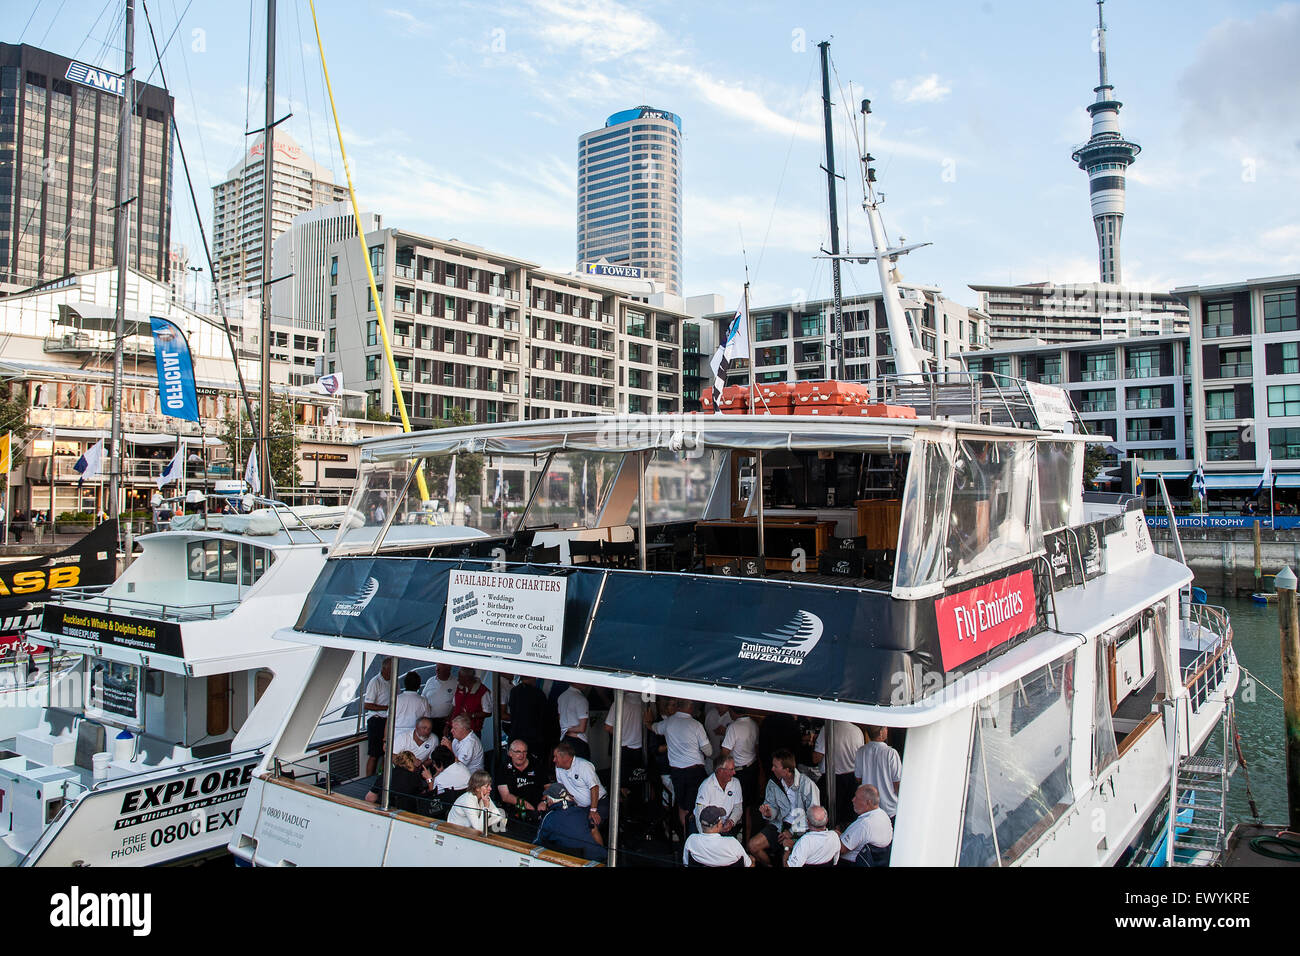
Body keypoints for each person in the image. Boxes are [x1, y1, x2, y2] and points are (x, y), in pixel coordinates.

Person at [648, 698, 712, 835]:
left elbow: (654, 728)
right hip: (695, 771)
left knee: (682, 806)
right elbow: (709, 751)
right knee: (697, 804)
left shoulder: (669, 723)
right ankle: (696, 836)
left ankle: (685, 837)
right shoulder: (696, 725)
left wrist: (647, 722)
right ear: (690, 708)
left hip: (677, 772)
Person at [747, 748, 820, 867]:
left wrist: (792, 832)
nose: (772, 769)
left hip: (800, 829)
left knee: (788, 855)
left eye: (775, 766)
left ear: (786, 770)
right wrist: (769, 813)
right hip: (779, 825)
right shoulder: (773, 783)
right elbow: (771, 806)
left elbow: (814, 816)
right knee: (753, 846)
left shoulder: (807, 784)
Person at [536, 783, 606, 862]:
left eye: (547, 799)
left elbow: (538, 841)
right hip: (598, 857)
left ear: (551, 801)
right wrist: (601, 852)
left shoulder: (549, 817)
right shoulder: (582, 811)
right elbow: (594, 830)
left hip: (577, 860)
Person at [812, 720, 865, 822]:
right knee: (848, 818)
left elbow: (816, 758)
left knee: (830, 817)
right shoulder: (857, 731)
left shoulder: (827, 729)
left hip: (832, 779)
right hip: (852, 779)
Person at [720, 708, 760, 836]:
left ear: (733, 712)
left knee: (735, 804)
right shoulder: (754, 724)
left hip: (738, 772)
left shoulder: (733, 727)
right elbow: (756, 747)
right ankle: (746, 840)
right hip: (752, 768)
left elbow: (724, 753)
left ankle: (732, 835)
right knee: (748, 807)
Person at [552, 741, 609, 825]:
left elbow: (594, 787)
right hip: (579, 806)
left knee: (590, 825)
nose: (553, 760)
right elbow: (562, 787)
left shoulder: (584, 765)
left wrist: (593, 810)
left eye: (556, 757)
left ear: (565, 757)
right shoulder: (558, 768)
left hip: (598, 804)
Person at [853, 725, 901, 821]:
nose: (887, 730)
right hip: (889, 807)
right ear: (881, 733)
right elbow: (897, 783)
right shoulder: (891, 753)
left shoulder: (861, 751)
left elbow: (858, 778)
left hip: (868, 807)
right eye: (886, 728)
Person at [839, 784, 893, 867]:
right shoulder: (884, 815)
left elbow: (842, 849)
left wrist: (834, 835)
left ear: (868, 802)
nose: (853, 800)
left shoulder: (864, 824)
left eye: (857, 798)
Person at [603, 690, 645, 797]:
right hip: (639, 748)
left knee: (620, 783)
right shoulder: (644, 703)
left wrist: (622, 732)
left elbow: (608, 727)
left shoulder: (619, 702)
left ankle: (621, 810)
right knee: (637, 782)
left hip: (621, 748)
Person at [683, 805, 752, 867]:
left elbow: (686, 864)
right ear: (719, 824)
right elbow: (748, 864)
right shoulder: (732, 843)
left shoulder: (691, 840)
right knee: (752, 860)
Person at [507, 674, 552, 762]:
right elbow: (544, 717)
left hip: (516, 733)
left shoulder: (514, 691)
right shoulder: (538, 693)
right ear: (533, 677)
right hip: (533, 737)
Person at [693, 755, 743, 836]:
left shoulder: (736, 783)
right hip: (708, 828)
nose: (734, 772)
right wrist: (705, 837)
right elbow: (699, 814)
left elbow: (738, 808)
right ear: (720, 771)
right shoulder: (706, 786)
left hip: (725, 826)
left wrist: (731, 821)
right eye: (731, 770)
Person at [497, 738, 546, 818]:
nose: (521, 755)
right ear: (510, 753)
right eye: (518, 752)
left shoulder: (536, 765)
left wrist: (544, 801)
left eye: (524, 752)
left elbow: (548, 787)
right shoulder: (504, 768)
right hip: (517, 808)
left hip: (539, 807)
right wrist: (526, 805)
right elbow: (505, 796)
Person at [363, 657, 393, 777]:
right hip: (376, 721)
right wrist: (386, 708)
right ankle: (368, 779)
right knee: (374, 755)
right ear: (384, 669)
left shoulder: (394, 680)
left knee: (387, 754)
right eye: (391, 670)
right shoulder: (375, 682)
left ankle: (381, 778)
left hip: (389, 721)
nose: (392, 672)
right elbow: (367, 705)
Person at [449, 667, 493, 735]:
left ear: (467, 678)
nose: (458, 679)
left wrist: (472, 715)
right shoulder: (459, 688)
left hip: (472, 731)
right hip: (455, 729)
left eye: (460, 677)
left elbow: (488, 712)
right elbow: (454, 707)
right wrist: (448, 724)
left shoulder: (483, 692)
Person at [556, 682, 591, 760]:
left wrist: (565, 729)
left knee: (565, 769)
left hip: (564, 739)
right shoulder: (581, 699)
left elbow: (560, 718)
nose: (585, 683)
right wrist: (568, 729)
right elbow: (582, 728)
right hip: (578, 741)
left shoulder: (561, 696)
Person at [421, 663, 457, 737]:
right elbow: (422, 698)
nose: (437, 670)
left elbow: (457, 705)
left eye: (439, 669)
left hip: (446, 721)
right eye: (436, 668)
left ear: (449, 669)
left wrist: (448, 722)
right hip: (430, 720)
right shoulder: (430, 681)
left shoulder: (456, 683)